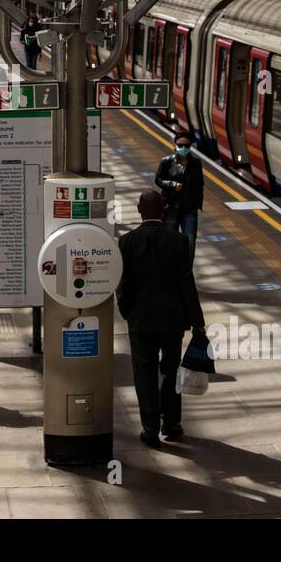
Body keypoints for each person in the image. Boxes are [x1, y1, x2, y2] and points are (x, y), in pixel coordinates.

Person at [116, 190, 206, 448]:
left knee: (143, 373)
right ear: (163, 210)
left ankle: (150, 428)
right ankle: (172, 423)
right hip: (172, 320)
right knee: (171, 370)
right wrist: (196, 321)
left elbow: (123, 284)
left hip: (140, 321)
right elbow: (186, 284)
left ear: (139, 210)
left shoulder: (127, 242)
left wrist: (127, 311)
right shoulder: (178, 241)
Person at [155, 129, 204, 249]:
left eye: (186, 145)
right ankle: (172, 267)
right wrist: (172, 185)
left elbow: (199, 184)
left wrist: (197, 204)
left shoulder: (196, 163)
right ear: (175, 145)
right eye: (180, 145)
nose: (183, 148)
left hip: (189, 209)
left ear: (190, 146)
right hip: (171, 207)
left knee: (190, 241)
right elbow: (158, 180)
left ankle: (187, 268)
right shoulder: (166, 162)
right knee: (170, 241)